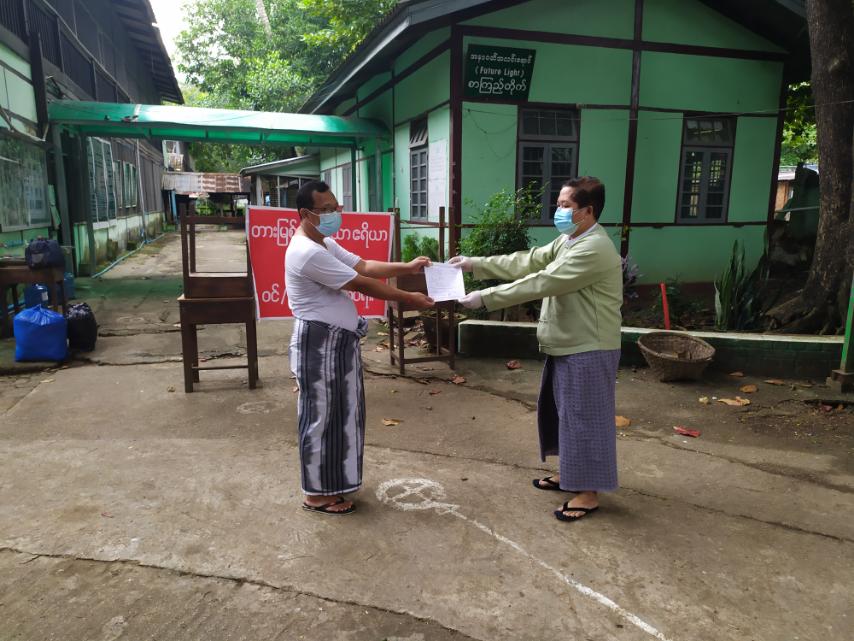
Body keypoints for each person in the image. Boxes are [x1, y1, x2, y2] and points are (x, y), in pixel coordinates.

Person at [451, 176, 622, 523]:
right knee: (563, 413)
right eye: (558, 204)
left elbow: (543, 281)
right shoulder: (569, 239)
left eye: (565, 206)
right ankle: (571, 474)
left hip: (589, 346)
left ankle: (588, 493)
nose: (558, 211)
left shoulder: (594, 248)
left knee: (585, 419)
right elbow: (528, 261)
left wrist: (486, 298)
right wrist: (474, 263)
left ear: (588, 211)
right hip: (568, 342)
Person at [287, 180, 434, 515]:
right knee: (320, 417)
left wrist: (407, 267)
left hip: (337, 344)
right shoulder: (307, 252)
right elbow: (361, 283)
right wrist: (408, 298)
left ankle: (333, 485)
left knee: (341, 415)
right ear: (305, 214)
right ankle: (315, 495)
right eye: (325, 209)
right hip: (319, 345)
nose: (333, 214)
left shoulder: (322, 242)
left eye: (335, 207)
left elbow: (364, 266)